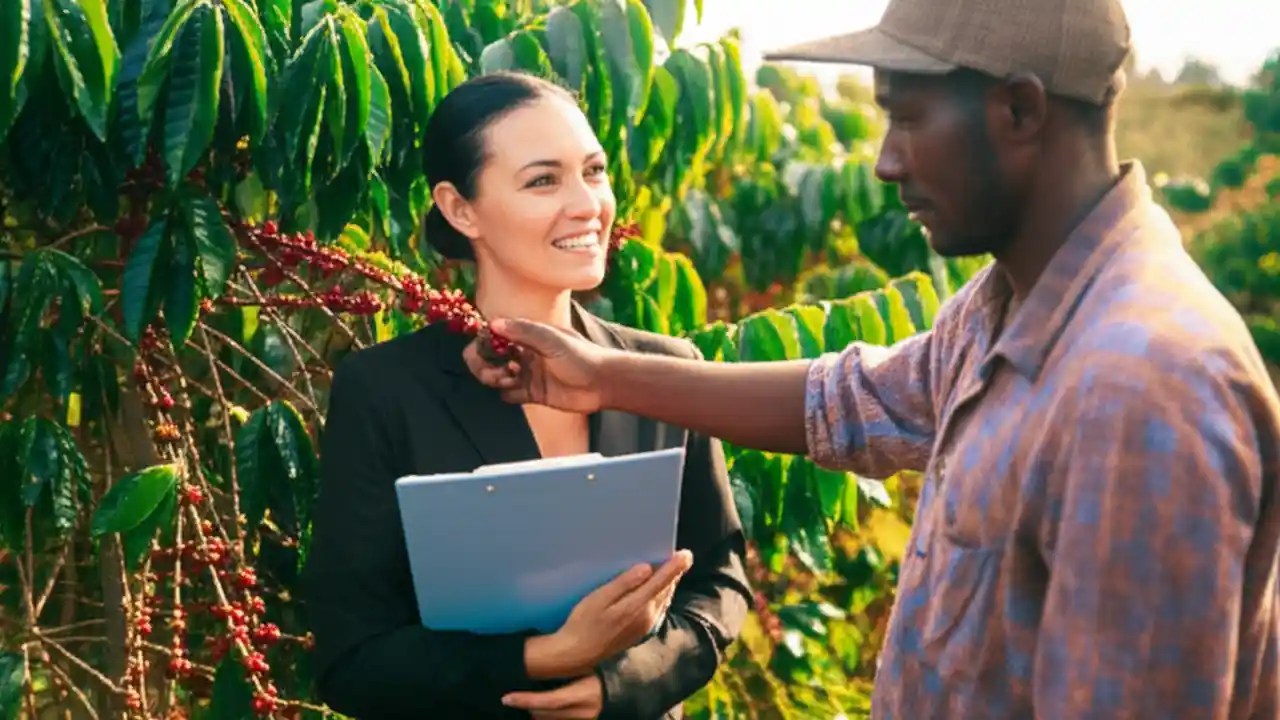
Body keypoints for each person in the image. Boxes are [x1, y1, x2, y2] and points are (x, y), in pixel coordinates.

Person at [464, 0, 1280, 717]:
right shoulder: (1009, 305)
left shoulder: (1139, 390)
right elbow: (849, 401)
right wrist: (600, 374)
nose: (886, 160)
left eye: (911, 117)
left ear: (1020, 111)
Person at [303, 71, 752, 720]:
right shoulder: (384, 389)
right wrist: (543, 658)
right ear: (460, 209)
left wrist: (620, 685)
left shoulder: (663, 369)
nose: (586, 204)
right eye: (544, 180)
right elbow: (352, 658)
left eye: (594, 172)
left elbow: (719, 579)